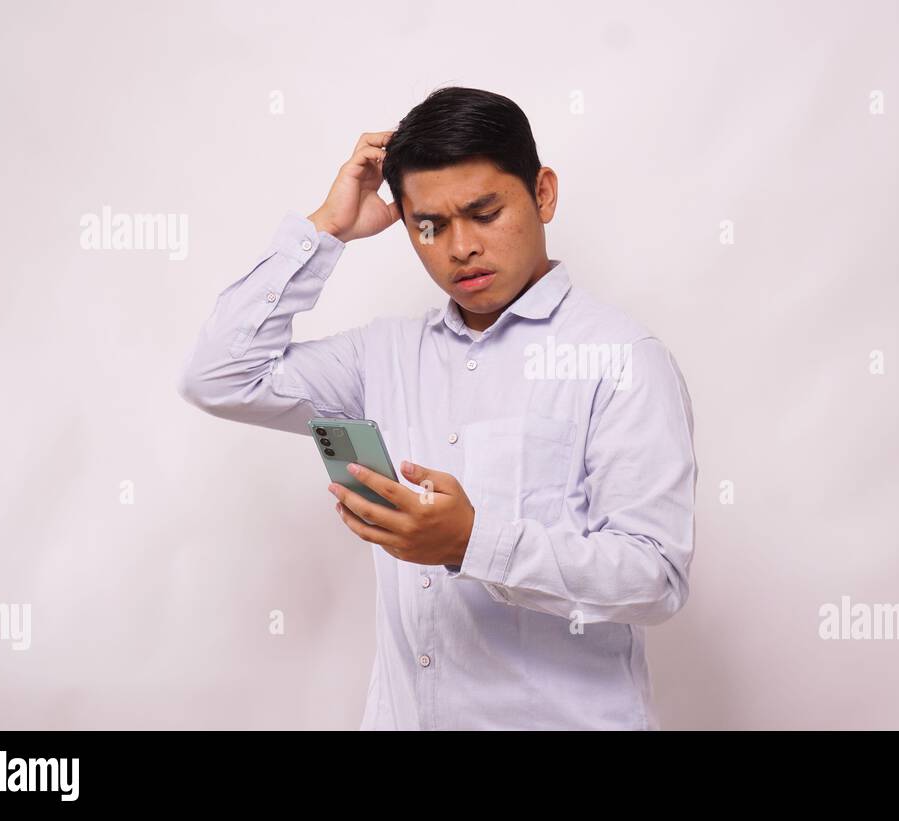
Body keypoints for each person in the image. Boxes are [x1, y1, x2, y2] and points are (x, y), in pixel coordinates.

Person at [176, 86, 697, 730]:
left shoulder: (622, 357)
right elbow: (218, 375)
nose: (459, 248)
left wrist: (474, 542)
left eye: (484, 212)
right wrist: (326, 230)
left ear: (543, 194)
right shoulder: (384, 355)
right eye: (430, 225)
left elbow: (654, 576)